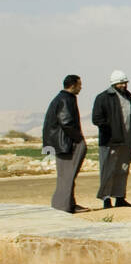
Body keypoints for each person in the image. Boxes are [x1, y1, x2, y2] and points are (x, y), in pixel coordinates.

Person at [90, 70, 131, 209]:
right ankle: (106, 198)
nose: (124, 85)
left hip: (126, 140)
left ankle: (120, 197)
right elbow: (97, 118)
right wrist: (111, 130)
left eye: (125, 82)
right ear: (114, 84)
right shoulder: (103, 98)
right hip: (110, 141)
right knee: (108, 170)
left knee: (123, 169)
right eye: (121, 83)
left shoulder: (128, 98)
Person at [42, 74, 89, 213]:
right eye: (79, 85)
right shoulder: (65, 99)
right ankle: (63, 206)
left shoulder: (63, 98)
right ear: (73, 85)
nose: (81, 88)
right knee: (67, 177)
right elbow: (66, 122)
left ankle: (70, 204)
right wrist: (79, 139)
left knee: (67, 176)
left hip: (62, 143)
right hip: (66, 144)